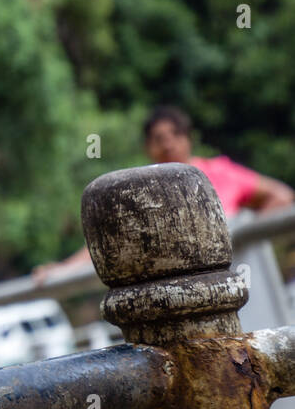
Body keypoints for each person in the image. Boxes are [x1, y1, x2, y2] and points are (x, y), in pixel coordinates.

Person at [33, 105, 294, 283]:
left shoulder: (219, 172)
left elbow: (281, 196)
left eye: (175, 134)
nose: (168, 143)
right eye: (159, 138)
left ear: (188, 139)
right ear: (149, 147)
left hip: (239, 279)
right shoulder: (143, 190)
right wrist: (65, 269)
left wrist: (240, 233)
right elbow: (113, 241)